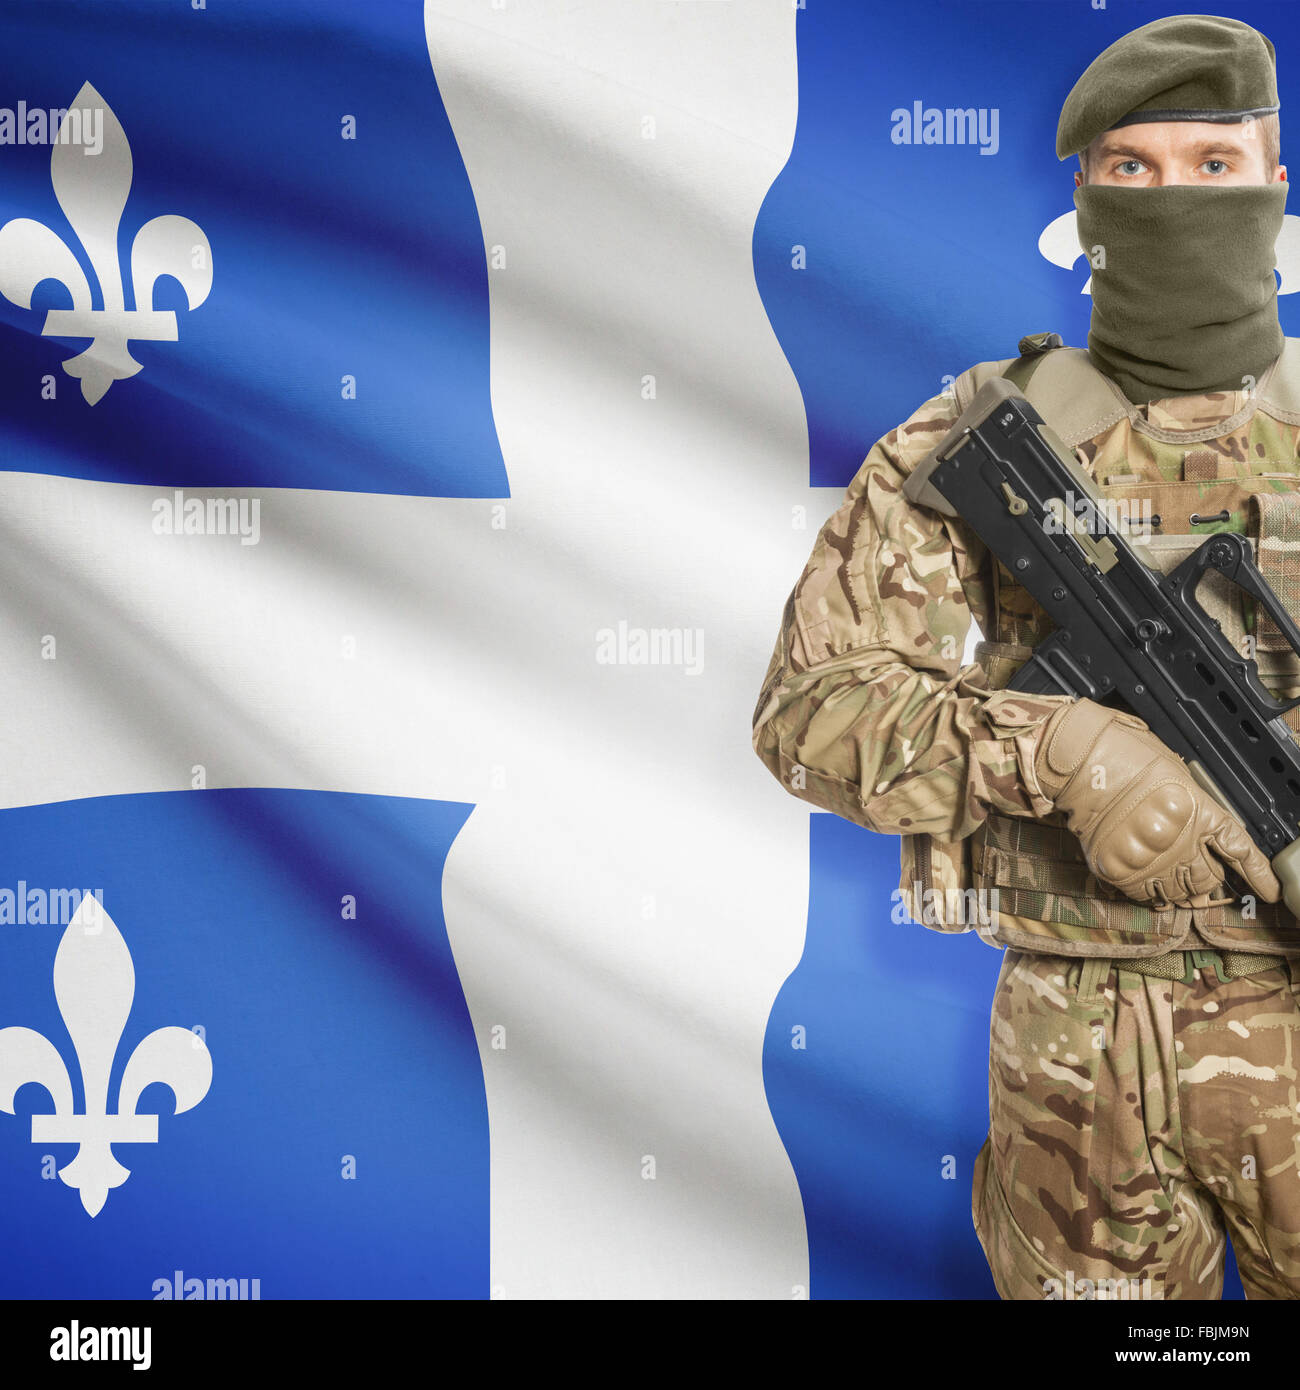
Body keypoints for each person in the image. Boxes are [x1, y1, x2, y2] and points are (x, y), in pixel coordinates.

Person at [752, 14, 1300, 1300]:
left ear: (1275, 189)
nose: (1173, 198)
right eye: (1131, 170)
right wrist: (1052, 750)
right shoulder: (982, 439)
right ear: (1084, 202)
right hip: (1075, 1061)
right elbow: (806, 710)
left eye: (1212, 168)